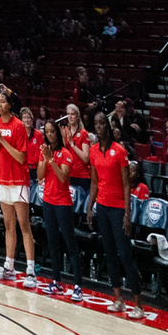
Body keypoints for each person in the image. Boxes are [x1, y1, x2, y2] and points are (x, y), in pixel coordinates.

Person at [88, 115, 142, 318]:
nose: (98, 127)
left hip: (118, 209)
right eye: (96, 124)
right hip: (102, 207)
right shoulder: (93, 151)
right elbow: (94, 182)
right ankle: (118, 298)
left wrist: (127, 213)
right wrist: (90, 207)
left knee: (125, 255)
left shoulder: (119, 150)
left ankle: (138, 303)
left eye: (102, 123)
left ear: (108, 127)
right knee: (109, 253)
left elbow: (127, 185)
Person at [0, 91, 36, 286]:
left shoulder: (18, 126)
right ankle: (9, 266)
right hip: (3, 179)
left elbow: (21, 157)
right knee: (8, 225)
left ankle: (30, 271)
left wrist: (3, 140)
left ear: (9, 104)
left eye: (2, 101)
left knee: (24, 225)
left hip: (19, 180)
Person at [34, 122, 86, 302]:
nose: (50, 135)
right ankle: (56, 281)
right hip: (48, 202)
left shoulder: (65, 154)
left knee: (70, 243)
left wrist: (50, 160)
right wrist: (44, 158)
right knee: (52, 242)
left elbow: (63, 178)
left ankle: (78, 285)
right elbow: (40, 176)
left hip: (63, 203)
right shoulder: (45, 151)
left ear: (57, 133)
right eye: (47, 132)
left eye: (52, 132)